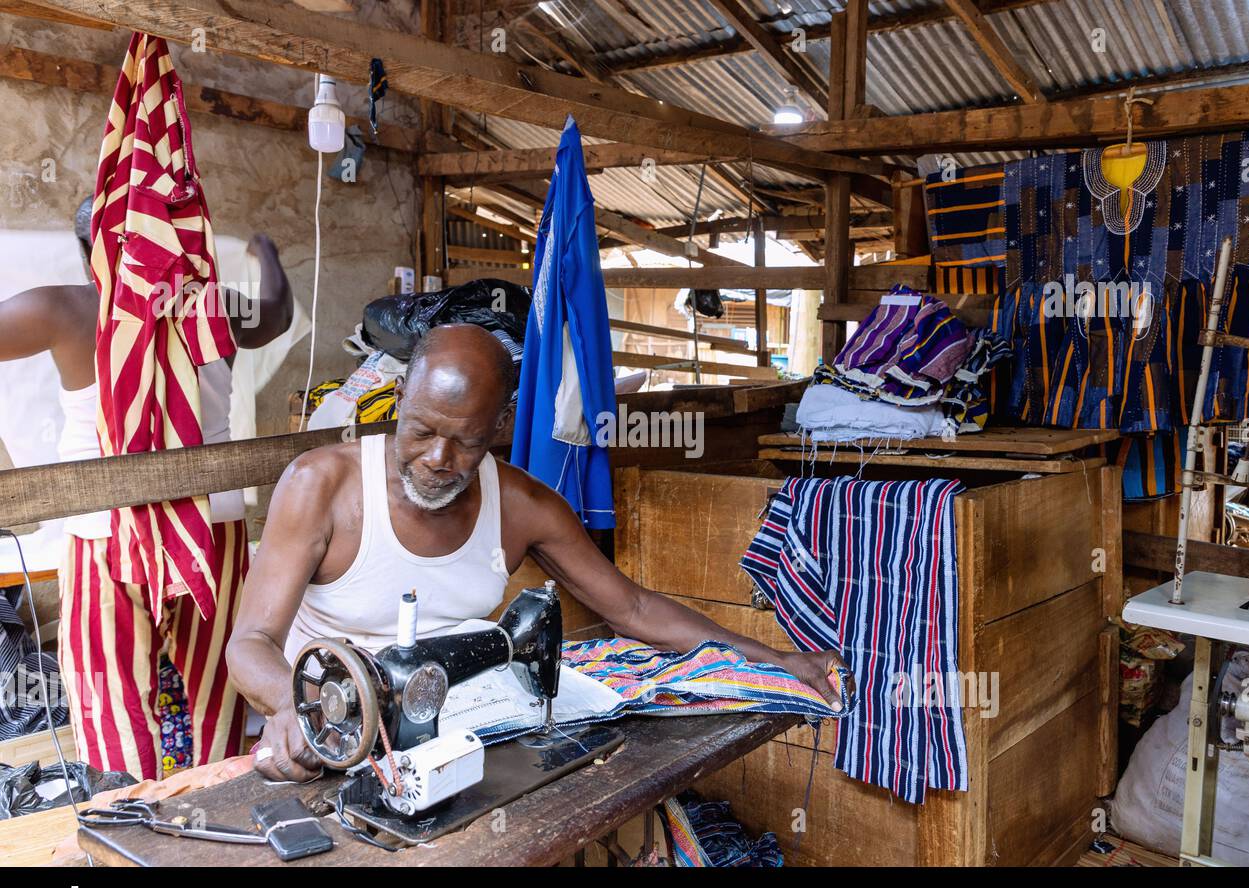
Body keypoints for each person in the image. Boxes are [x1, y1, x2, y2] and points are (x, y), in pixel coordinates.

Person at [228, 323, 847, 783]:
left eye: (465, 442)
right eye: (420, 430)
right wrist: (296, 704)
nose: (438, 460)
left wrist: (771, 659)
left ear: (501, 425)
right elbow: (250, 642)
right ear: (398, 399)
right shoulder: (323, 486)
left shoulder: (523, 505)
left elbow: (630, 606)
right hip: (333, 733)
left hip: (460, 734)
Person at [0, 197, 294, 780]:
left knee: (111, 698)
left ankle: (125, 815)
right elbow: (279, 313)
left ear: (89, 254)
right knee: (219, 694)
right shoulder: (215, 310)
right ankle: (220, 803)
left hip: (105, 532)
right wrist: (268, 255)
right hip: (212, 526)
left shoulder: (67, 307)